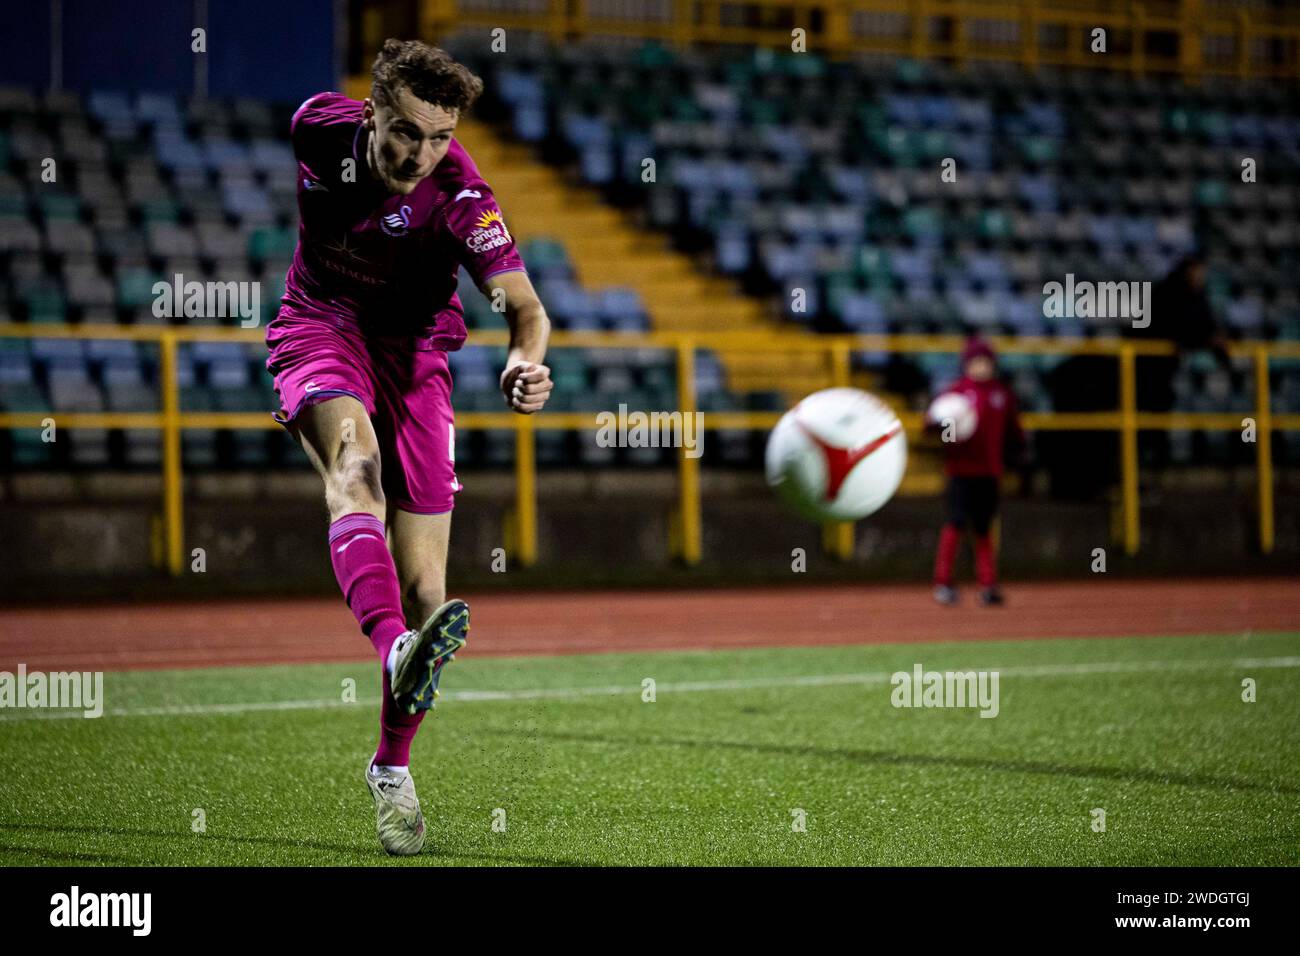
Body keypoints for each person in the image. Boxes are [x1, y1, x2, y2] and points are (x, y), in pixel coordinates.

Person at [264, 39, 554, 855]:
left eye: (438, 138)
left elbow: (526, 312)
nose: (420, 155)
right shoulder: (316, 129)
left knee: (431, 595)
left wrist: (525, 364)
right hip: (322, 326)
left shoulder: (463, 197)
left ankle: (391, 767)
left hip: (419, 353)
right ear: (371, 113)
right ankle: (392, 647)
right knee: (356, 473)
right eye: (405, 132)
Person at [927, 337, 1024, 607]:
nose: (981, 367)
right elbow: (935, 429)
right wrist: (944, 429)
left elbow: (1013, 432)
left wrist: (1016, 454)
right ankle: (943, 582)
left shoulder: (1001, 394)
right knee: (955, 523)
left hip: (989, 471)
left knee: (983, 527)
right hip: (960, 471)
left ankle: (988, 584)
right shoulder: (955, 393)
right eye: (975, 362)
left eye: (985, 362)